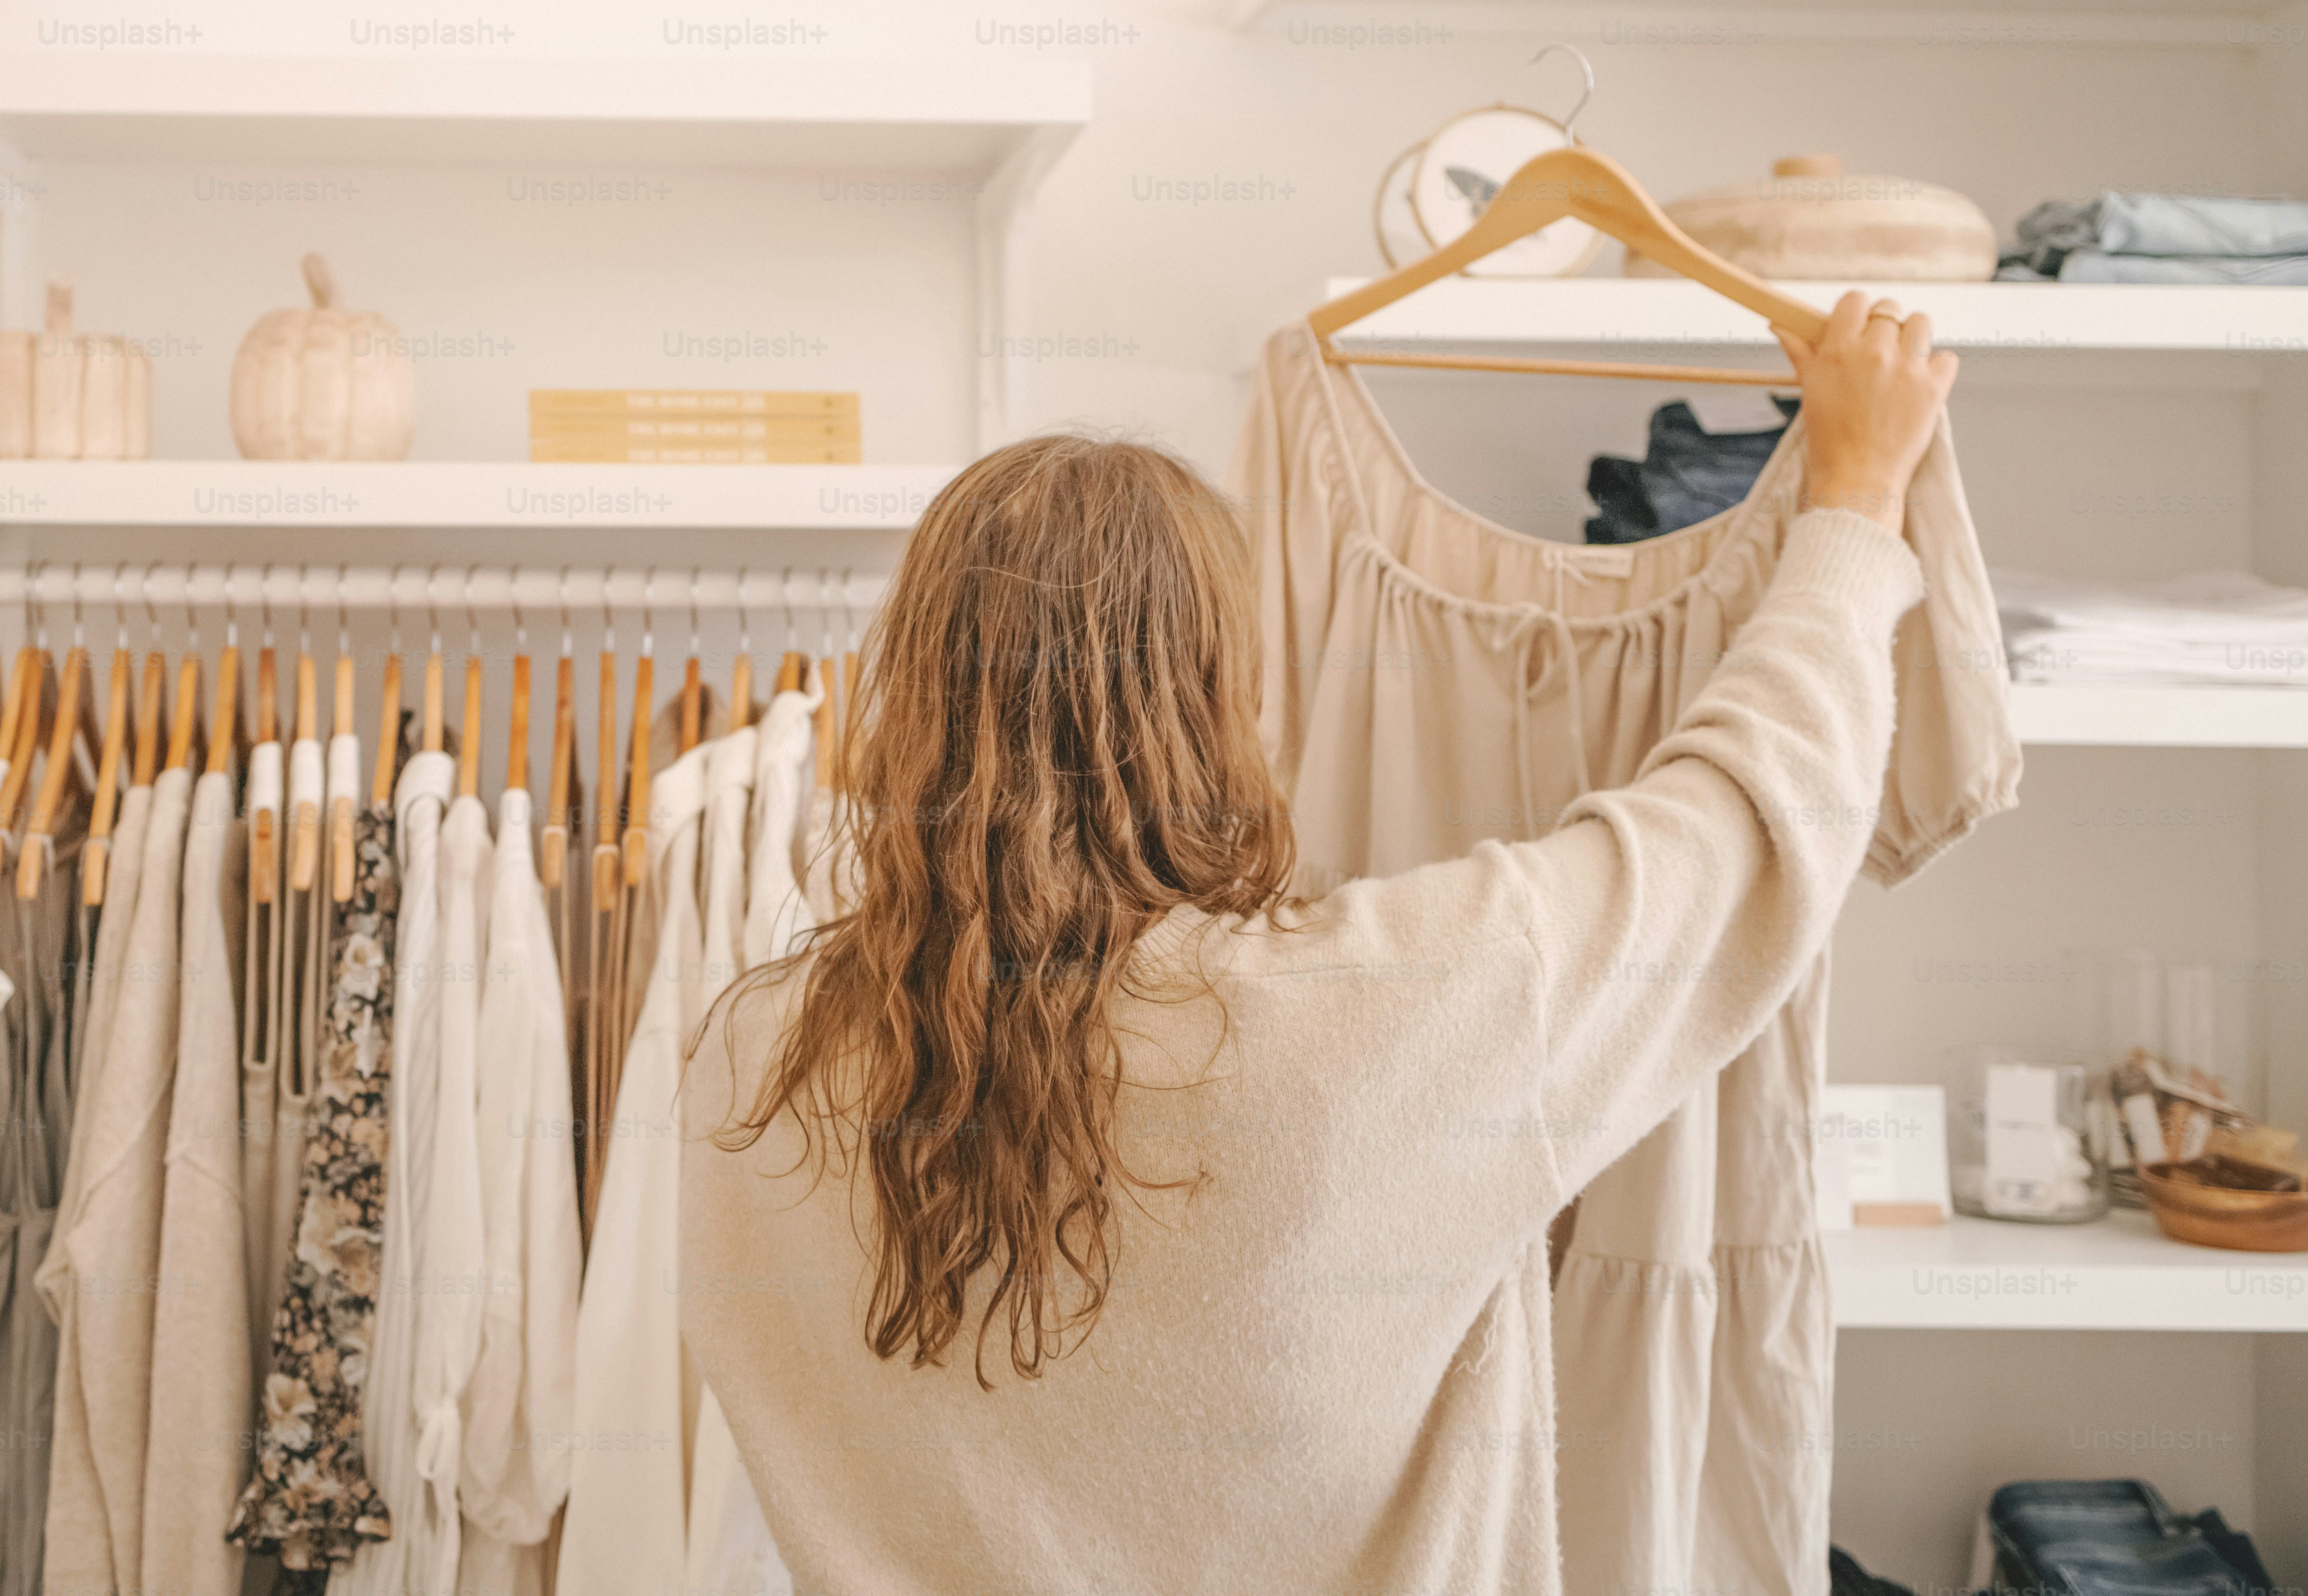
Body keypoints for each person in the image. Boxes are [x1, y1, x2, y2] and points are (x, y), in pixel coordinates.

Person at [681, 293, 1958, 1596]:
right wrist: (1852, 512)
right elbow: (1739, 826)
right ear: (1219, 705)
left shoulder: (747, 1061)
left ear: (916, 693)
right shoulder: (1377, 1016)